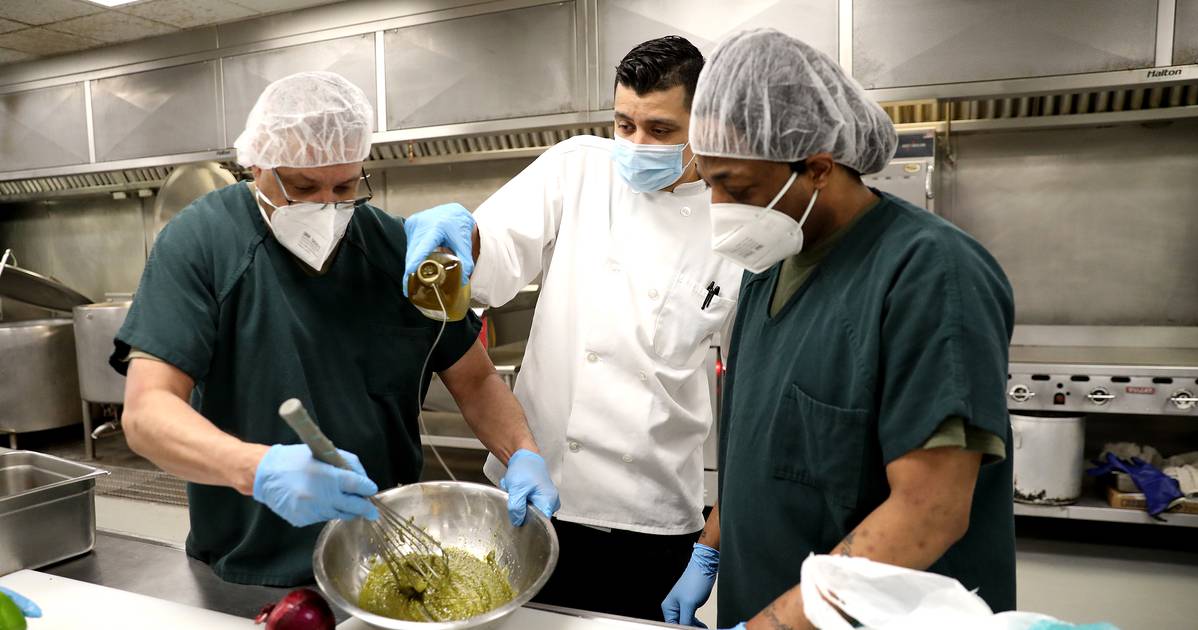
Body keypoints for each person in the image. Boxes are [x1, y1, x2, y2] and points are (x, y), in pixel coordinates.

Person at [110, 72, 558, 587]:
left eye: (345, 186)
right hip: (245, 568)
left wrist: (522, 453)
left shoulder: (395, 251)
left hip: (388, 560)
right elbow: (146, 414)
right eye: (302, 188)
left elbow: (475, 381)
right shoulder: (202, 242)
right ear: (257, 163)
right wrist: (255, 468)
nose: (326, 206)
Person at [664, 29, 1016, 630]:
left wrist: (771, 626)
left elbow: (929, 512)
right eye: (710, 181)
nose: (718, 206)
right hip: (766, 605)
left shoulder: (929, 272)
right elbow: (759, 447)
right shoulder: (768, 267)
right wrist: (712, 542)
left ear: (819, 167)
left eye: (737, 187)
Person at [402, 37, 743, 620]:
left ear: (705, 126)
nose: (636, 145)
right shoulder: (580, 164)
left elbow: (754, 398)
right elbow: (500, 250)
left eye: (659, 131)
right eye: (623, 124)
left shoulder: (738, 220)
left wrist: (712, 543)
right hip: (532, 495)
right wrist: (462, 237)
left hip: (652, 516)